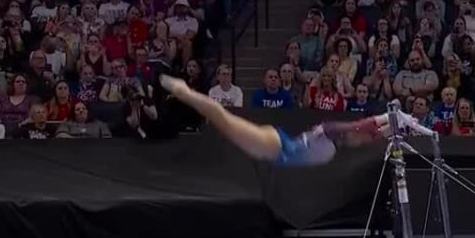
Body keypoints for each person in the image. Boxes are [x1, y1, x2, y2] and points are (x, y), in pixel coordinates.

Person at [159, 75, 435, 166]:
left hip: (278, 144)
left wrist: (401, 120)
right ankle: (184, 92)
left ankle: (185, 93)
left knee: (221, 118)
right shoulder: (334, 138)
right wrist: (392, 117)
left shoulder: (336, 141)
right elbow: (362, 129)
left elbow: (370, 131)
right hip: (277, 147)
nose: (364, 136)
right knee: (220, 117)